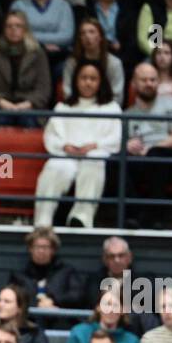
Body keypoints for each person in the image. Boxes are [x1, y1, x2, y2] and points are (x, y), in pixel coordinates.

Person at [33, 61, 122, 229]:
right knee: (55, 166)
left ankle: (81, 218)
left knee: (94, 163)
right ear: (75, 81)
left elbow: (116, 138)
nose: (88, 82)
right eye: (84, 78)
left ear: (101, 81)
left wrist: (95, 145)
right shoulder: (63, 107)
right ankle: (43, 221)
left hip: (95, 154)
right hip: (66, 155)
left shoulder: (111, 108)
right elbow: (51, 136)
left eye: (93, 78)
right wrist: (64, 146)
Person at [122, 62, 172, 229]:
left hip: (170, 159)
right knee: (114, 161)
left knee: (156, 155)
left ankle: (156, 217)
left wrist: (152, 148)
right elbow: (117, 143)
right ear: (133, 84)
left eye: (153, 80)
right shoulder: (127, 114)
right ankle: (134, 214)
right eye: (144, 80)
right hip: (139, 161)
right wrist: (127, 145)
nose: (149, 84)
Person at [0, 10, 52, 123]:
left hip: (29, 105)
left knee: (28, 120)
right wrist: (4, 104)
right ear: (4, 30)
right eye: (9, 26)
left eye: (18, 26)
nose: (13, 29)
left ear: (25, 29)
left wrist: (25, 106)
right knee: (1, 119)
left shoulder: (38, 53)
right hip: (0, 104)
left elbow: (43, 90)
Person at [65, 289, 141, 343]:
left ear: (123, 310)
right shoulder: (79, 333)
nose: (111, 310)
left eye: (116, 305)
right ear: (98, 307)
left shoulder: (132, 341)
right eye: (107, 304)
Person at [8, 226, 85, 311]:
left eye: (45, 247)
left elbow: (77, 296)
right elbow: (11, 297)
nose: (41, 251)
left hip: (60, 320)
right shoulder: (19, 274)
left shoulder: (66, 272)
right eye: (37, 246)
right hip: (27, 320)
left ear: (53, 250)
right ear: (30, 249)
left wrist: (53, 301)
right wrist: (37, 304)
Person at [61, 17, 124, 100]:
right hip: (77, 108)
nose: (87, 36)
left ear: (100, 36)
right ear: (80, 39)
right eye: (83, 33)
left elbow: (117, 95)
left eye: (92, 32)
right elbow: (67, 92)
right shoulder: (72, 63)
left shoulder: (114, 63)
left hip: (106, 109)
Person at [9, 0, 74, 72]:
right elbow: (16, 34)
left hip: (58, 55)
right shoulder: (18, 5)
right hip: (26, 53)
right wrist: (42, 46)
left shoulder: (63, 5)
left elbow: (66, 36)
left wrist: (31, 36)